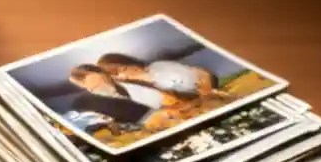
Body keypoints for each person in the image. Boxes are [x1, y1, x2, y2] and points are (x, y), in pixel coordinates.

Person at [95, 53, 231, 100]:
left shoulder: (158, 68)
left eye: (124, 67)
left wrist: (205, 89)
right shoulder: (140, 90)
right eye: (117, 74)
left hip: (202, 83)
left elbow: (199, 76)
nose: (125, 73)